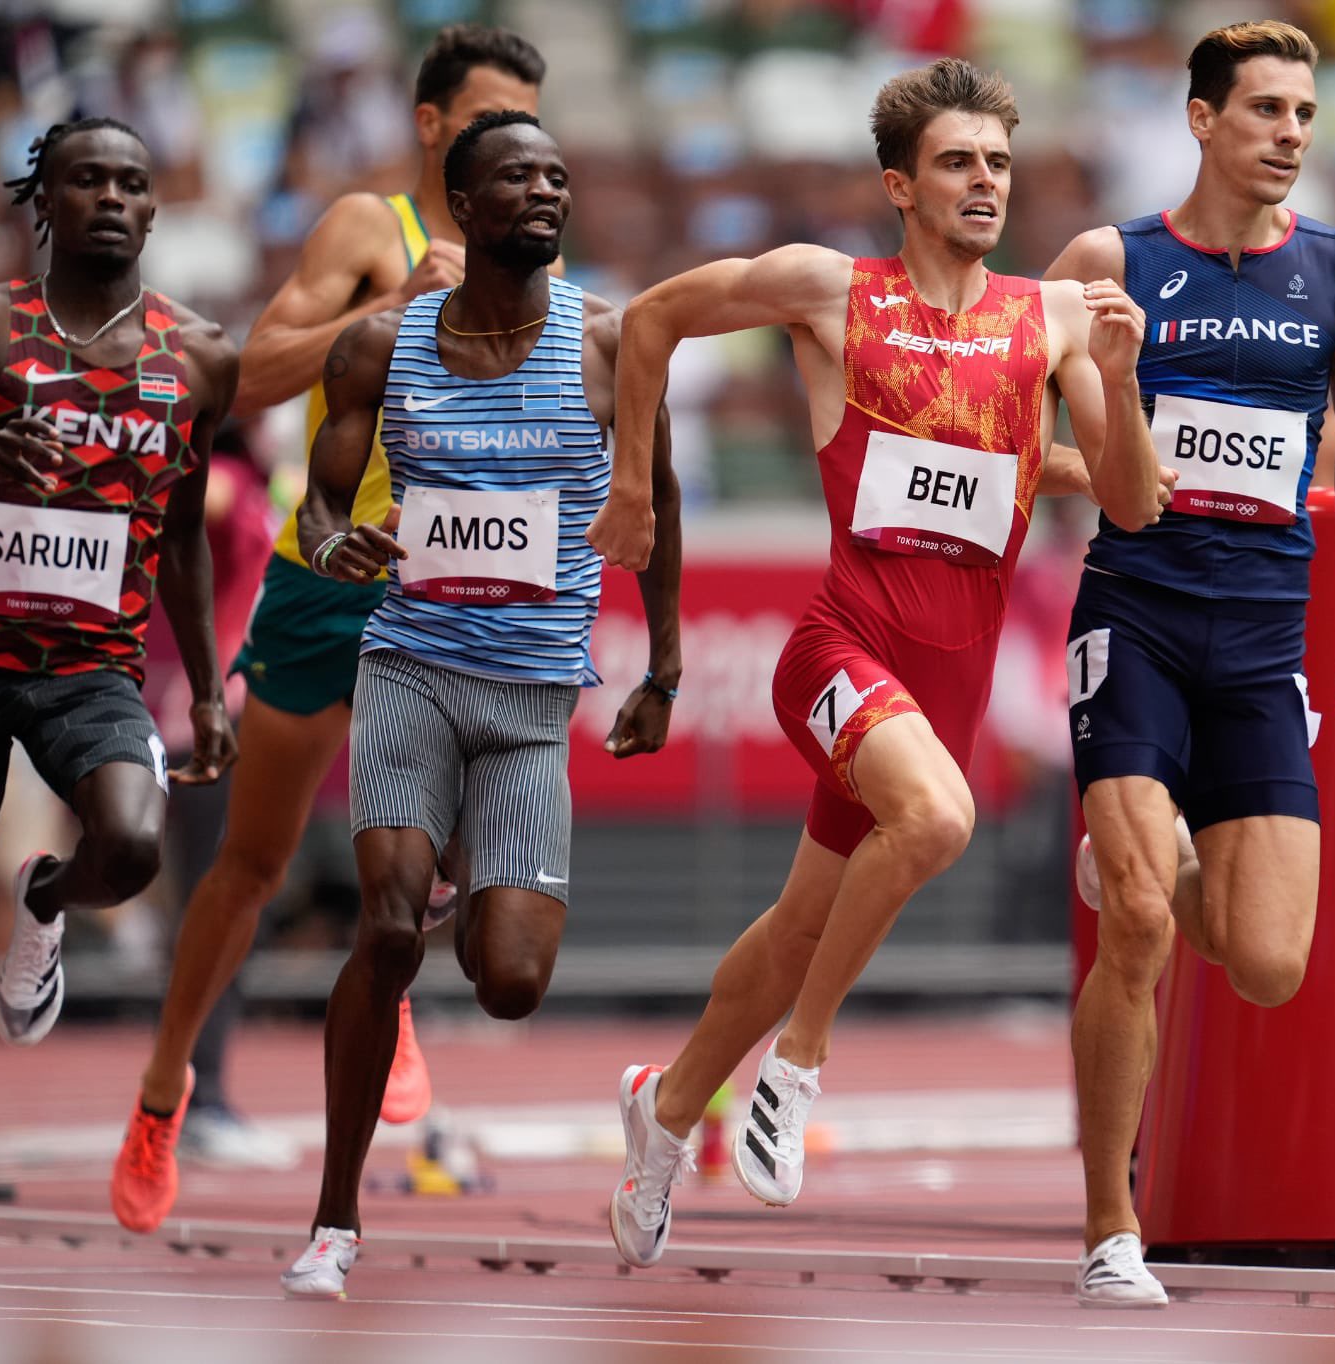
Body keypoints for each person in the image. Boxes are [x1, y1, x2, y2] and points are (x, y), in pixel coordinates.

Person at [589, 58, 1161, 1271]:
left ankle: (666, 1106)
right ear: (899, 185)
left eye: (997, 162)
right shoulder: (827, 289)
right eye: (956, 162)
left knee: (801, 923)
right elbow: (649, 320)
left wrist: (1114, 380)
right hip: (838, 644)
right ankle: (796, 1063)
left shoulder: (1053, 316)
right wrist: (632, 484)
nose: (984, 181)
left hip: (944, 681)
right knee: (939, 820)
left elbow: (1124, 501)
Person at [110, 25, 550, 1229]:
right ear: (431, 126)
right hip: (325, 575)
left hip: (446, 585)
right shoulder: (370, 228)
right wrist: (394, 309)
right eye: (490, 122)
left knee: (451, 832)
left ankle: (391, 977)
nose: (515, 151)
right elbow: (248, 375)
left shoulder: (536, 257)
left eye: (530, 130)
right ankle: (163, 1089)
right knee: (250, 863)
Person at [280, 109, 683, 1299]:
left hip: (528, 701)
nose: (545, 191)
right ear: (461, 205)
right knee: (387, 929)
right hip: (407, 666)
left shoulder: (609, 345)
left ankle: (465, 862)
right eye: (516, 177)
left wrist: (662, 671)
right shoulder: (377, 345)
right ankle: (334, 1218)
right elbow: (318, 503)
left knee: (509, 982)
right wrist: (331, 540)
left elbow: (657, 506)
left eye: (557, 175)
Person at [1050, 20, 1335, 1305]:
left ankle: (1149, 858)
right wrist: (1108, 465)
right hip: (1134, 616)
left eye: (1303, 113)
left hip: (1260, 639)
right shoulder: (1109, 263)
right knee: (1138, 925)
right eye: (1264, 109)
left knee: (1264, 963)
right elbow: (997, 416)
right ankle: (1110, 1225)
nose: (1289, 133)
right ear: (1200, 120)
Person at [0, 118, 239, 1286]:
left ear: (153, 207)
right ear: (48, 200)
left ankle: (46, 897)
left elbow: (183, 537)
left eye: (132, 181)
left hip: (92, 664)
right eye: (88, 179)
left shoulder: (199, 356)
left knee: (129, 843)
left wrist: (208, 687)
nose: (112, 197)